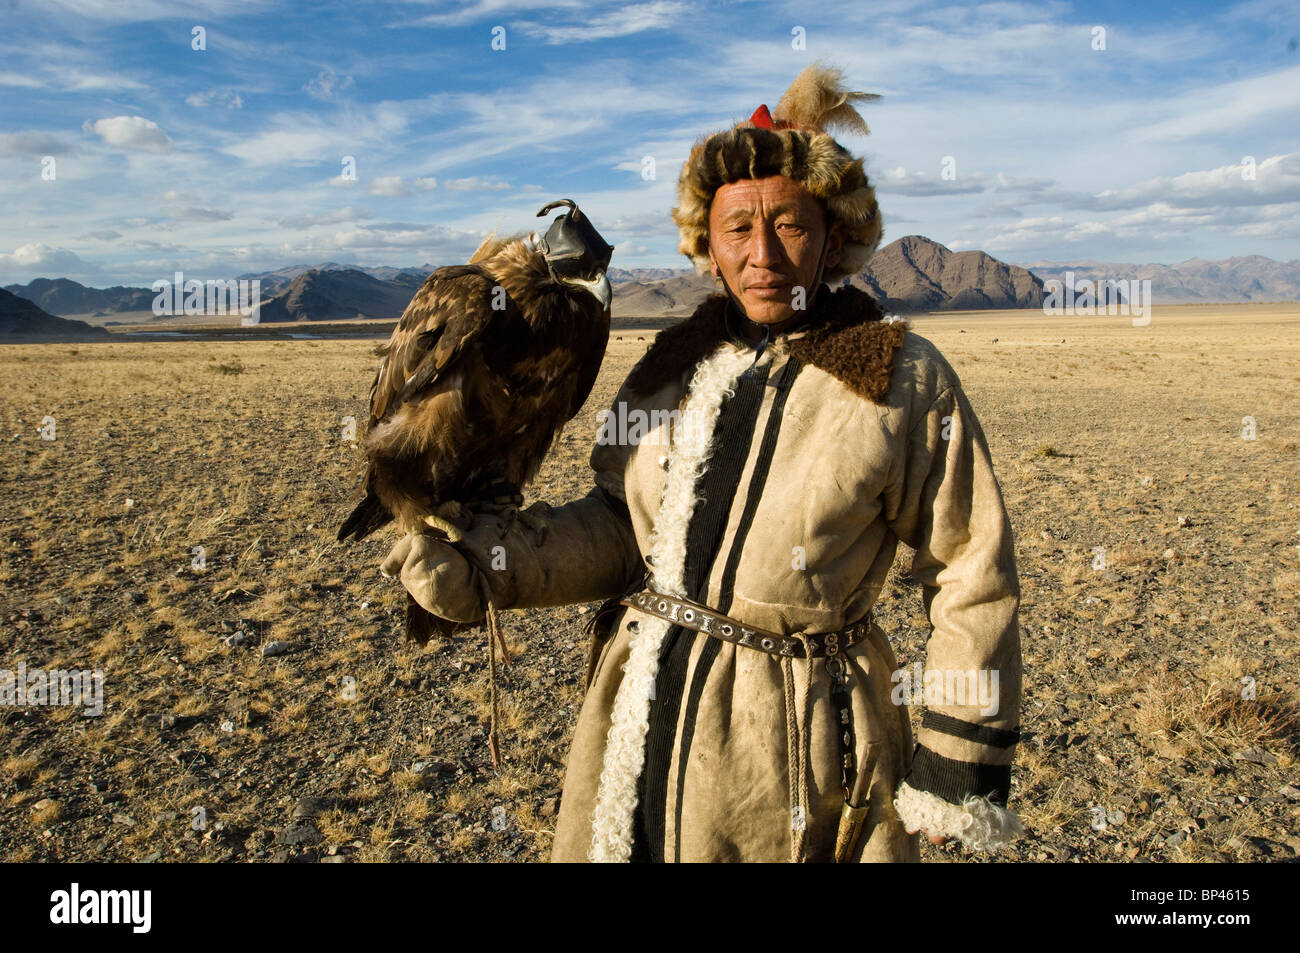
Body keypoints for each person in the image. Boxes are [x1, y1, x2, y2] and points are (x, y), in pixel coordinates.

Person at [380, 63, 1024, 862]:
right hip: (637, 722)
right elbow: (620, 527)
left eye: (790, 223)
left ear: (833, 239)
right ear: (707, 247)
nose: (764, 255)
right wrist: (495, 562)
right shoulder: (667, 367)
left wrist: (957, 758)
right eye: (737, 229)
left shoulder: (900, 377)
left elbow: (971, 571)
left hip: (803, 748)